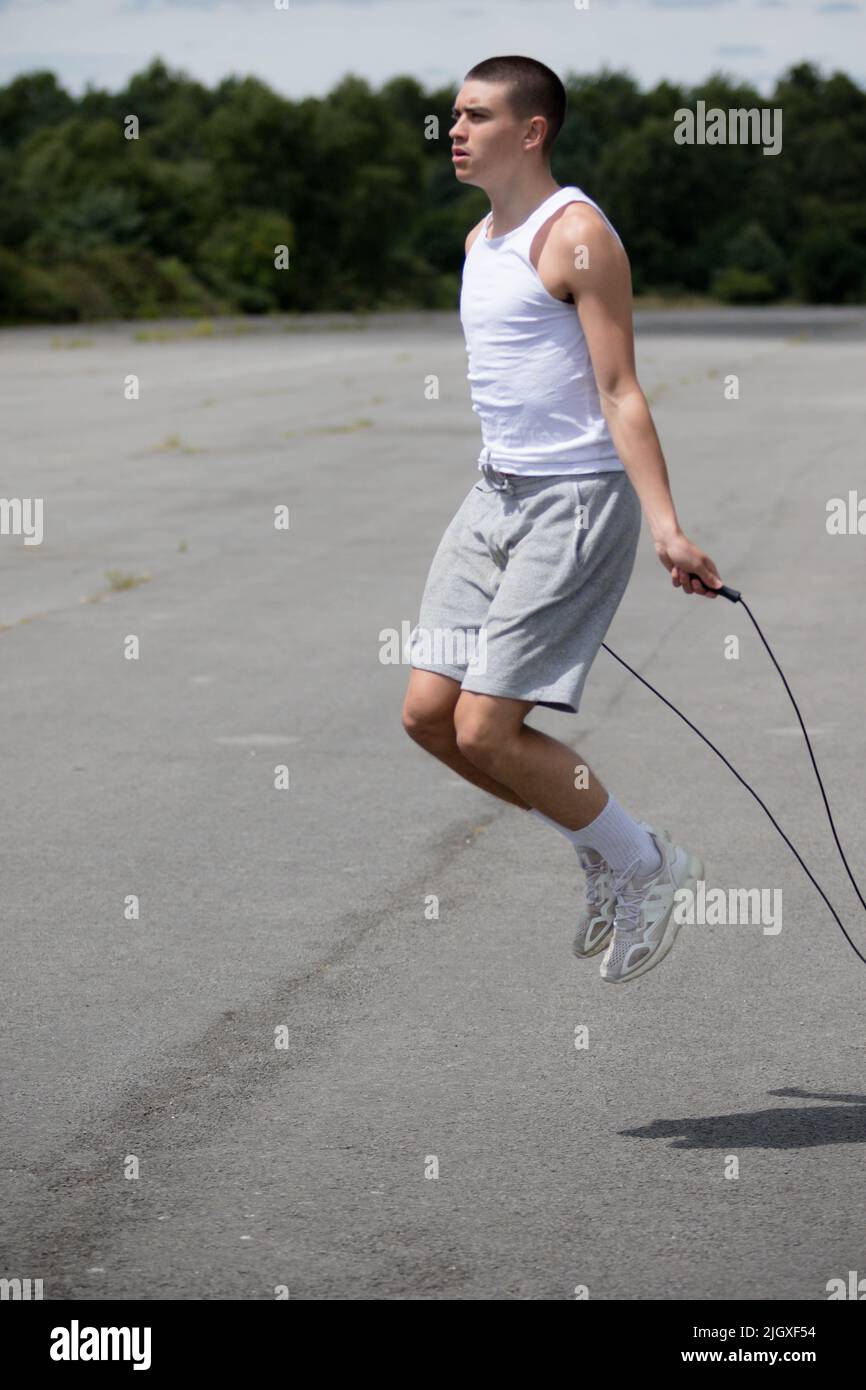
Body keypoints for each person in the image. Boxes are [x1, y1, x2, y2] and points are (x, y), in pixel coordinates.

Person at [402, 55, 723, 984]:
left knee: (486, 731)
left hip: (574, 503)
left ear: (531, 131)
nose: (453, 130)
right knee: (429, 716)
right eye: (453, 115)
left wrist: (665, 526)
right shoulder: (479, 241)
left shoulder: (575, 235)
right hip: (490, 497)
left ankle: (645, 863)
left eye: (475, 116)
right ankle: (600, 840)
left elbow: (620, 389)